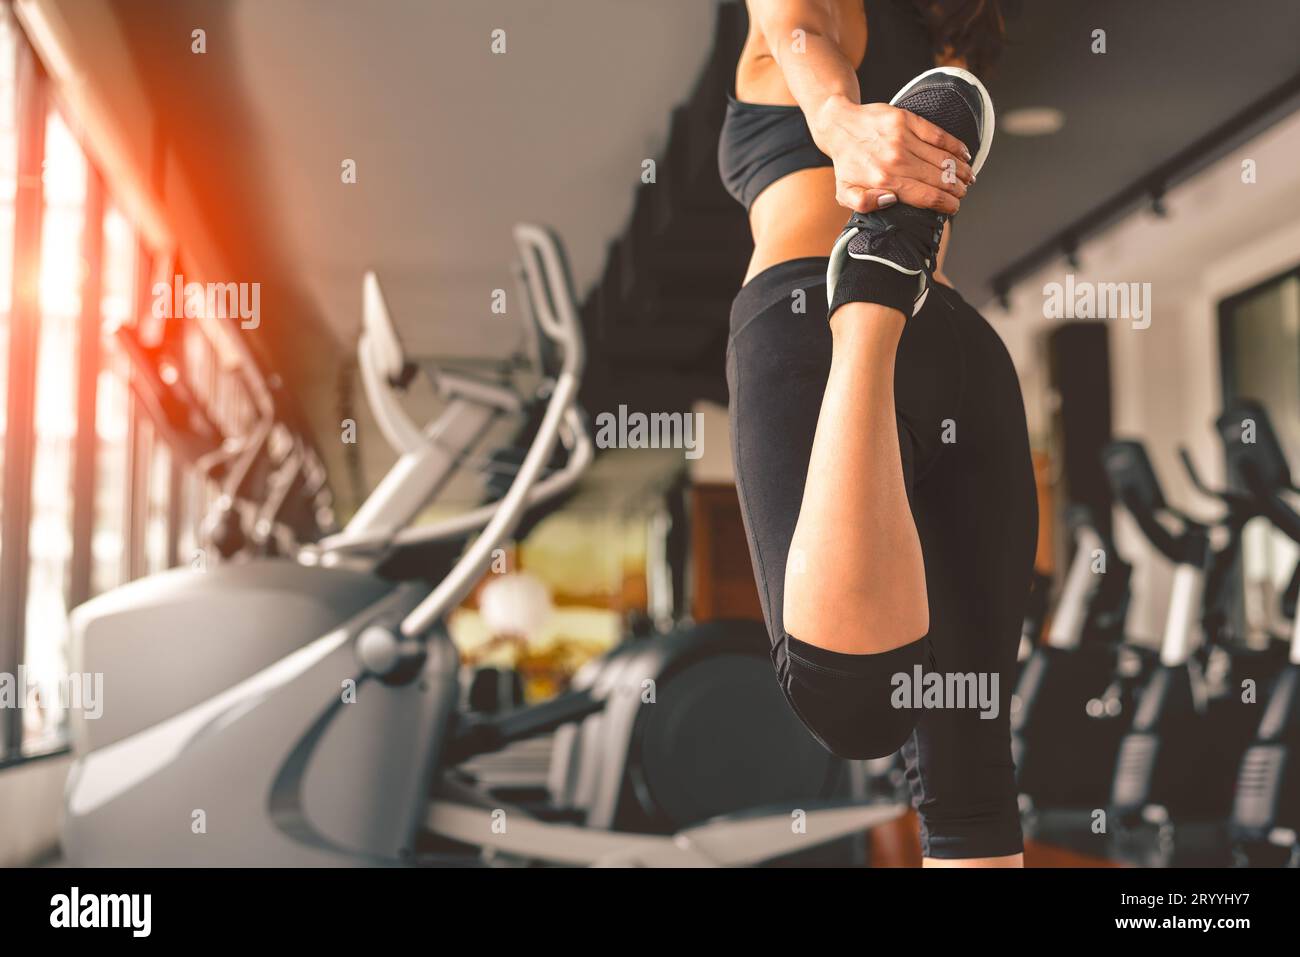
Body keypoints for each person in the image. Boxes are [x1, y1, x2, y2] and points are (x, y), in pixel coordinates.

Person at [719, 0, 1035, 867]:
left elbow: (801, 37)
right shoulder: (932, 38)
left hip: (819, 325)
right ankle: (885, 268)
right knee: (968, 791)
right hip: (947, 350)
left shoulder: (926, 31)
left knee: (864, 711)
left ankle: (872, 283)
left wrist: (836, 120)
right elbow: (801, 37)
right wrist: (839, 122)